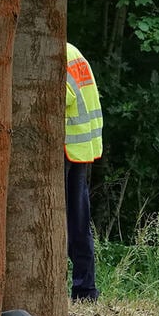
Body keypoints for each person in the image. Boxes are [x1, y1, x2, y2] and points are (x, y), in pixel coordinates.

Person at [65, 42, 104, 302]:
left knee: (64, 223)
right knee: (78, 222)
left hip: (65, 147)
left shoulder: (50, 53)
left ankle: (81, 288)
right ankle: (85, 289)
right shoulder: (72, 51)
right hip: (79, 147)